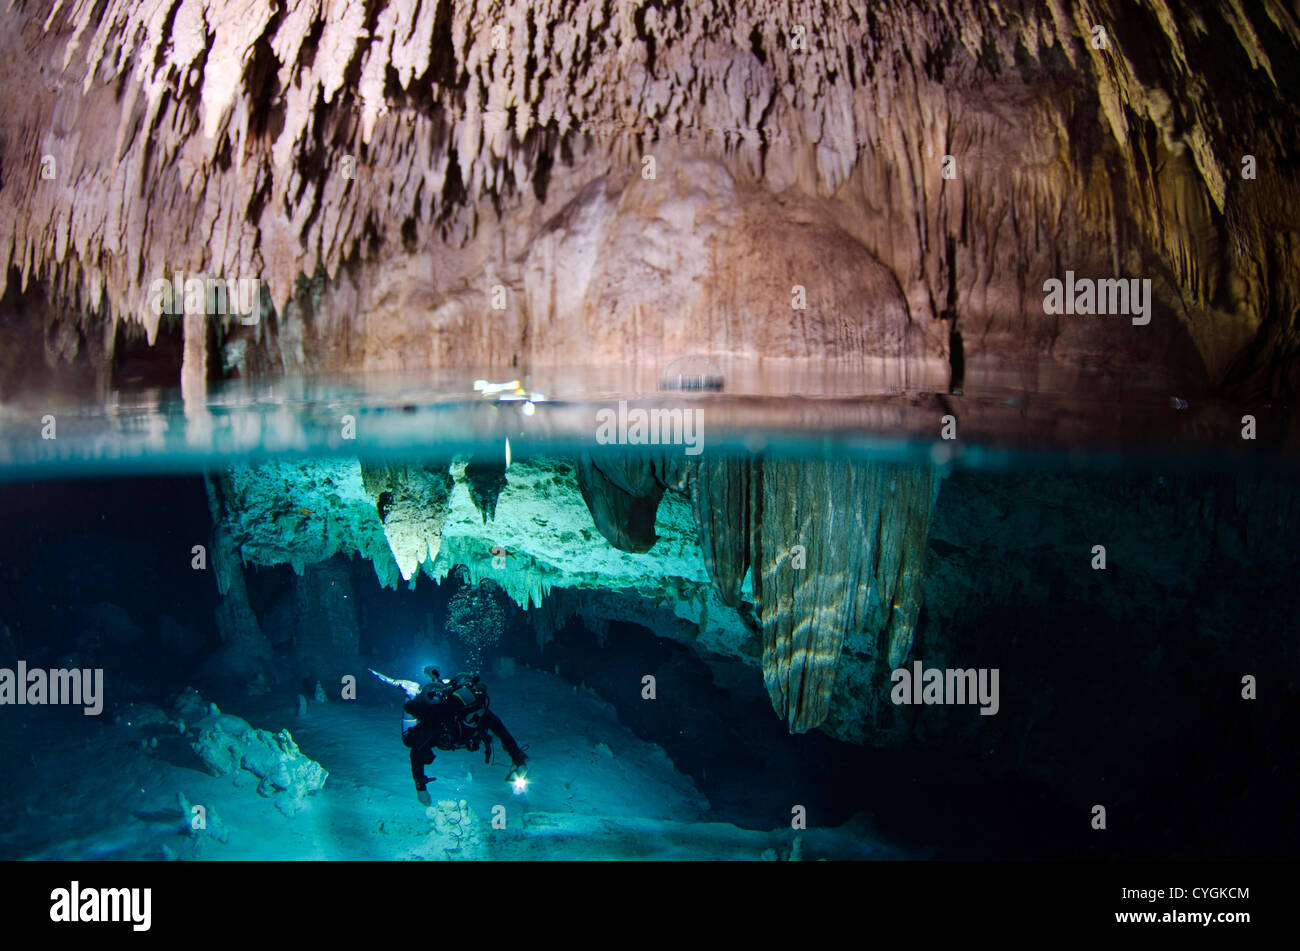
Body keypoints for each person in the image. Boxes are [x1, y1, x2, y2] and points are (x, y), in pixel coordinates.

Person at [401, 668, 528, 804]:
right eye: (471, 716)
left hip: (453, 732)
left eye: (478, 714)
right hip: (437, 729)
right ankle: (411, 691)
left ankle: (436, 679)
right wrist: (420, 788)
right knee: (412, 742)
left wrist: (519, 761)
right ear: (461, 714)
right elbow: (416, 751)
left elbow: (504, 735)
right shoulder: (441, 717)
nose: (476, 719)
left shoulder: (483, 714)